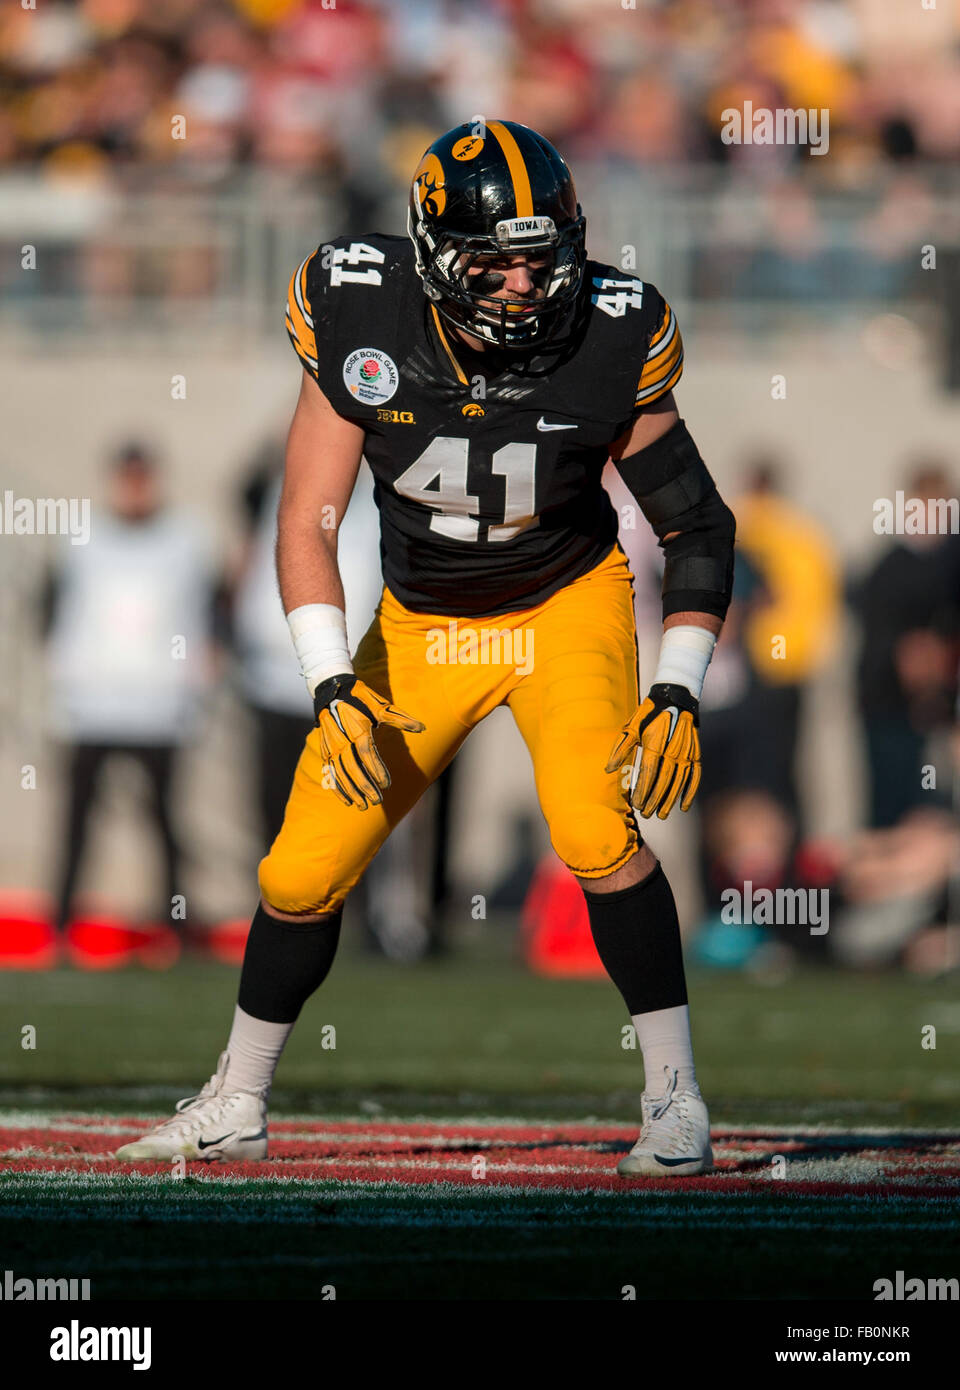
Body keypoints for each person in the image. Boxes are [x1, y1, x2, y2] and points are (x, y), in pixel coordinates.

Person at [117, 120, 735, 1177]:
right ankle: (237, 1098)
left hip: (564, 606)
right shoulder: (363, 306)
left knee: (596, 832)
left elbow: (698, 526)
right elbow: (307, 515)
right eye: (492, 260)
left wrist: (676, 687)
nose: (523, 285)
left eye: (542, 257)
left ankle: (676, 1099)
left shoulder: (613, 331)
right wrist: (326, 682)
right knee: (299, 870)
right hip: (424, 626)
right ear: (436, 254)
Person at [46, 443, 218, 934]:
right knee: (76, 824)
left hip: (160, 707)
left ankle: (174, 927)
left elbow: (209, 612)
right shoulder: (81, 541)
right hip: (90, 706)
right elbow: (53, 608)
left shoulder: (186, 541)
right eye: (128, 478)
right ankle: (61, 924)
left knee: (164, 822)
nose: (135, 489)